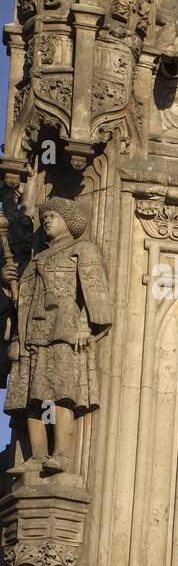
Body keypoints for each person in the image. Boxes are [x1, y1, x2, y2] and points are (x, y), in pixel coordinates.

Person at [2, 197, 113, 474]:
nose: (47, 220)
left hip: (62, 331)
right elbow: (22, 302)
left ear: (69, 221)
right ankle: (37, 456)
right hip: (32, 336)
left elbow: (94, 290)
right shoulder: (37, 259)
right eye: (45, 216)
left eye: (53, 215)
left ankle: (62, 453)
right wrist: (8, 283)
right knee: (30, 398)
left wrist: (85, 325)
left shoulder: (81, 249)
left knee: (59, 393)